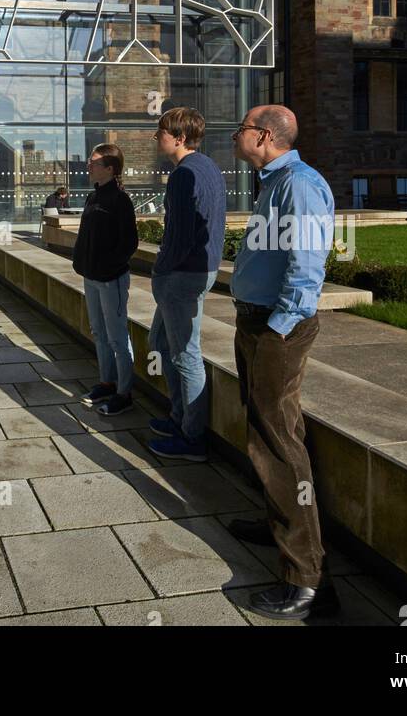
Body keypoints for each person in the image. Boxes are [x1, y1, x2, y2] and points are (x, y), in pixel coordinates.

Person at [230, 104, 339, 622]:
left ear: (265, 135)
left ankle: (305, 577)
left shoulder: (299, 183)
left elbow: (307, 266)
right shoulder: (273, 180)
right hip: (257, 321)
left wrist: (276, 330)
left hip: (279, 327)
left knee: (277, 440)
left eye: (243, 129)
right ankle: (277, 516)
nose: (237, 136)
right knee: (267, 427)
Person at [145, 107, 226, 462]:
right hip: (199, 270)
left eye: (161, 131)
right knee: (160, 342)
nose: (156, 137)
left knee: (184, 354)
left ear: (178, 138)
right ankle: (179, 419)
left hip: (182, 275)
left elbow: (179, 235)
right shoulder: (207, 166)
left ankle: (191, 438)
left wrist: (161, 269)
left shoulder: (183, 176)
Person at [72, 144, 139, 416]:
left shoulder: (120, 200)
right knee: (98, 333)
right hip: (91, 278)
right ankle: (106, 382)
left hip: (111, 280)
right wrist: (81, 262)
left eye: (94, 162)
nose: (88, 165)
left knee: (117, 338)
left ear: (110, 168)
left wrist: (109, 267)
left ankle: (124, 393)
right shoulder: (93, 197)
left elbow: (129, 243)